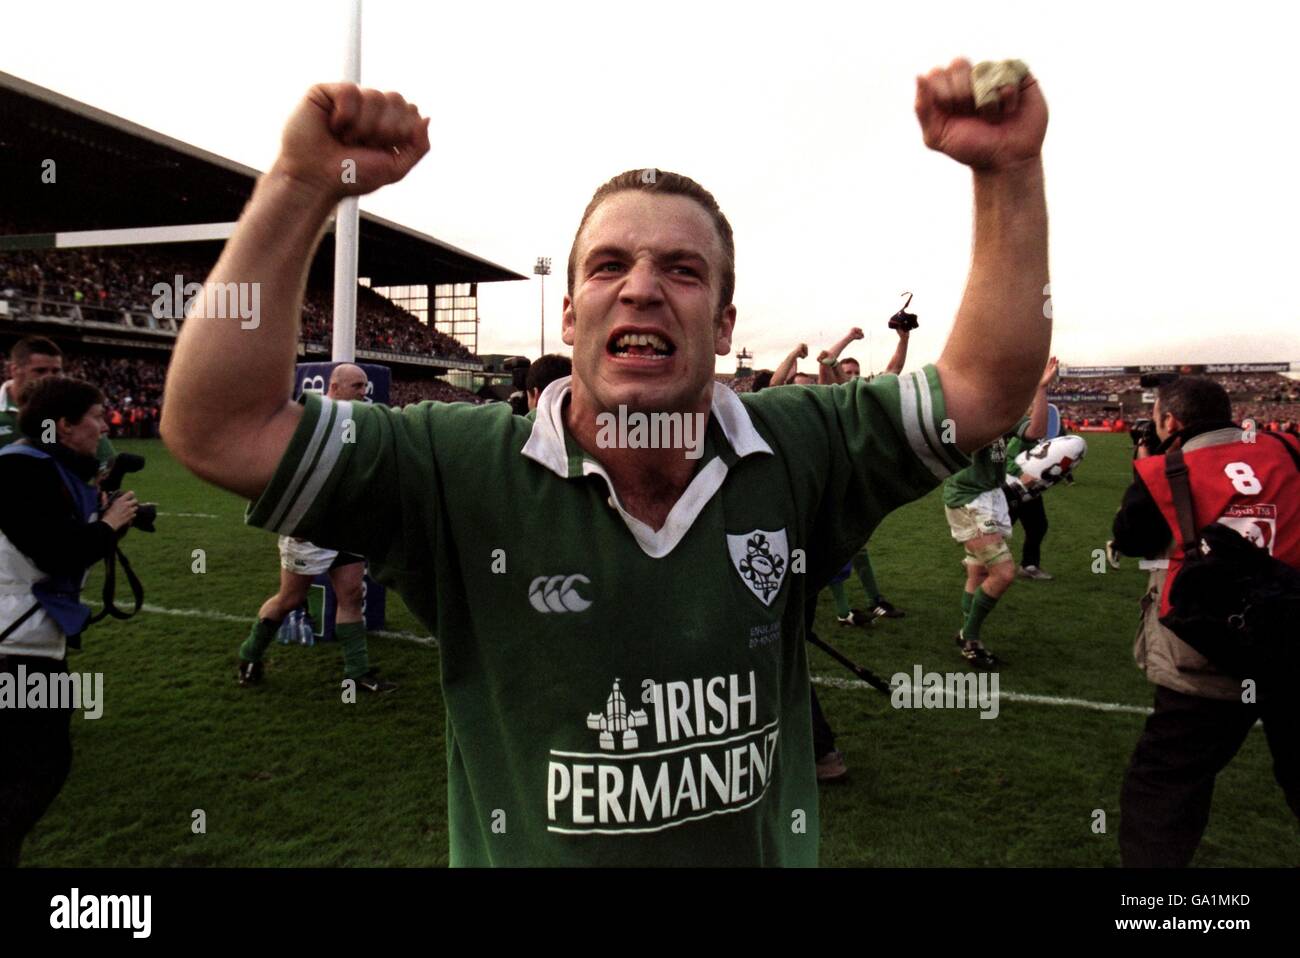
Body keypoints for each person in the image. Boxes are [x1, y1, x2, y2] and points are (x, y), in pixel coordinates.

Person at [162, 60, 1051, 866]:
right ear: (571, 317)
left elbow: (980, 387)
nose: (641, 286)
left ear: (726, 326)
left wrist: (1007, 172)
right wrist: (301, 184)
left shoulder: (801, 443)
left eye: (683, 270)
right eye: (609, 265)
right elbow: (221, 428)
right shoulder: (455, 464)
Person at [1112, 376, 1300, 867]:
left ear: (1169, 421)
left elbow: (1131, 540)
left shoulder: (1163, 470)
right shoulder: (1289, 446)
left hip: (1212, 650)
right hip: (1294, 634)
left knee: (1166, 784)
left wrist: (1144, 459)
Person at [0, 377, 139, 866]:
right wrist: (108, 525)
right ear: (63, 426)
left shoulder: (33, 466)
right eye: (97, 417)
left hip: (26, 637)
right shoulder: (21, 470)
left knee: (31, 764)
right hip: (16, 645)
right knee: (42, 764)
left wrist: (98, 517)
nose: (103, 427)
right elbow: (58, 554)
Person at [236, 364, 395, 693]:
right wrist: (292, 519)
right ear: (334, 387)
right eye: (356, 386)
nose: (363, 391)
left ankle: (357, 672)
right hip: (309, 526)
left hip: (346, 525)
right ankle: (250, 653)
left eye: (365, 385)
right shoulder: (308, 423)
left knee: (350, 594)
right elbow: (279, 474)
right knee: (290, 598)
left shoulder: (362, 419)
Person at [943, 356, 1057, 667]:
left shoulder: (1003, 414)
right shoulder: (967, 412)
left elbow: (1036, 431)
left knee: (978, 571)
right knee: (1004, 572)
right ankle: (971, 637)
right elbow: (952, 437)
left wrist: (1040, 389)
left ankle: (966, 633)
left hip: (990, 494)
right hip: (968, 497)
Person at [1, 337, 116, 474]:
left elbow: (105, 461)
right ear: (14, 370)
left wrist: (100, 490)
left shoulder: (72, 410)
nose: (50, 377)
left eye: (56, 371)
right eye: (40, 371)